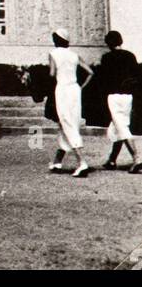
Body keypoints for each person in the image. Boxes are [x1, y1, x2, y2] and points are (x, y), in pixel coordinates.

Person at [48, 28, 92, 177]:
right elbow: (90, 72)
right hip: (75, 90)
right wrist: (81, 86)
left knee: (67, 123)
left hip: (62, 90)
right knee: (67, 123)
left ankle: (82, 162)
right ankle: (57, 161)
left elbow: (52, 74)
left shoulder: (53, 54)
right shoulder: (74, 54)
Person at [98, 30, 142, 172]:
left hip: (114, 95)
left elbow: (103, 79)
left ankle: (137, 158)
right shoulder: (130, 56)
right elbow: (136, 75)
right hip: (128, 96)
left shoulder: (106, 58)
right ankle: (112, 159)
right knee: (118, 126)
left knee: (121, 127)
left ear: (108, 44)